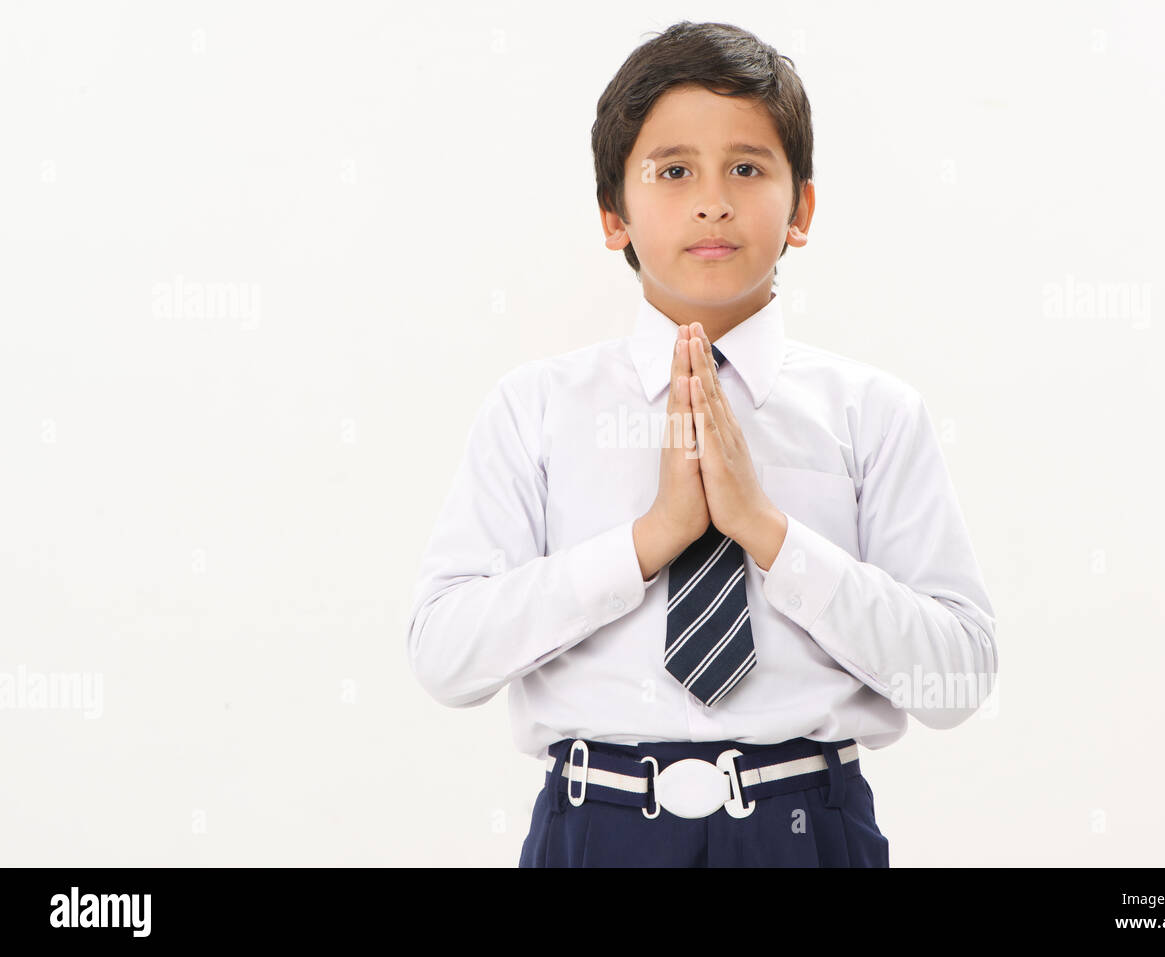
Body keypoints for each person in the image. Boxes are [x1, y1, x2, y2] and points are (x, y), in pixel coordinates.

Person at [405, 20, 997, 867]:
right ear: (614, 214)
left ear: (803, 208)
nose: (713, 199)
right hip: (596, 826)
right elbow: (445, 655)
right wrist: (649, 541)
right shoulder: (534, 408)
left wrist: (769, 531)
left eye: (748, 168)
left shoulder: (875, 413)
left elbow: (961, 676)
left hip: (806, 823)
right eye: (673, 170)